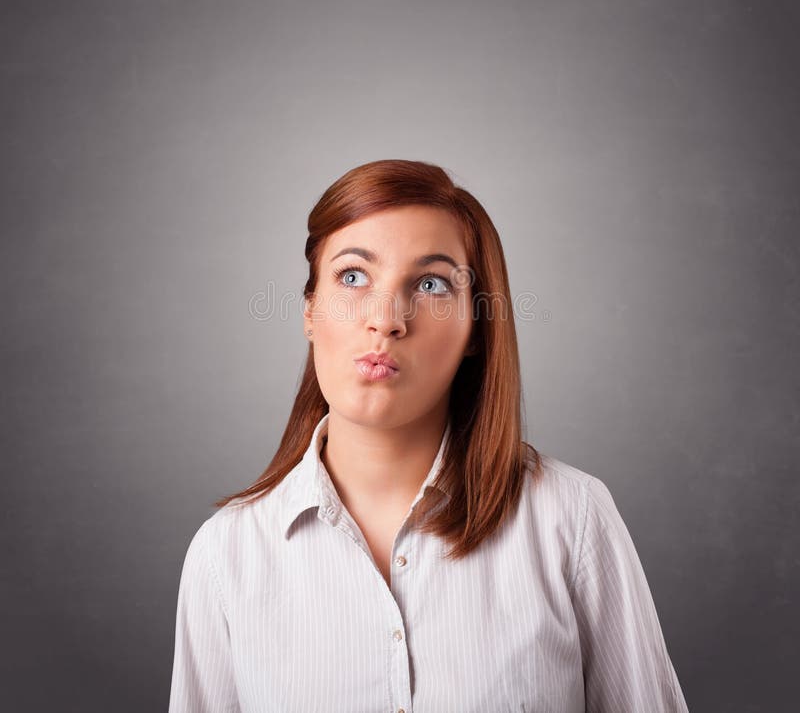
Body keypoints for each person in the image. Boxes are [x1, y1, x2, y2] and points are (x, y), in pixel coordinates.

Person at [168, 159, 690, 713]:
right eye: (352, 276)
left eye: (431, 283)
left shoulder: (573, 520)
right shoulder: (225, 555)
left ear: (474, 330)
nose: (387, 318)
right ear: (309, 311)